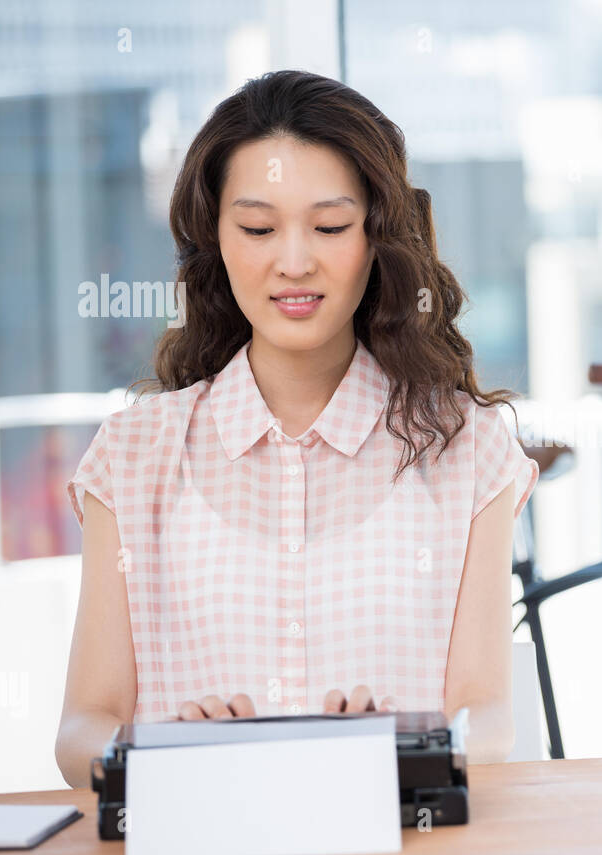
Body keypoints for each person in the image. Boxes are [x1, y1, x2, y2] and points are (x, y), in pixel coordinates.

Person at [54, 71, 538, 788]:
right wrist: (170, 753)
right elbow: (81, 732)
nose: (293, 262)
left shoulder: (467, 447)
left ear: (377, 237)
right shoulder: (133, 455)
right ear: (216, 239)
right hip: (201, 835)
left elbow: (489, 717)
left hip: (404, 837)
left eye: (330, 227)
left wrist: (397, 747)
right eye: (257, 228)